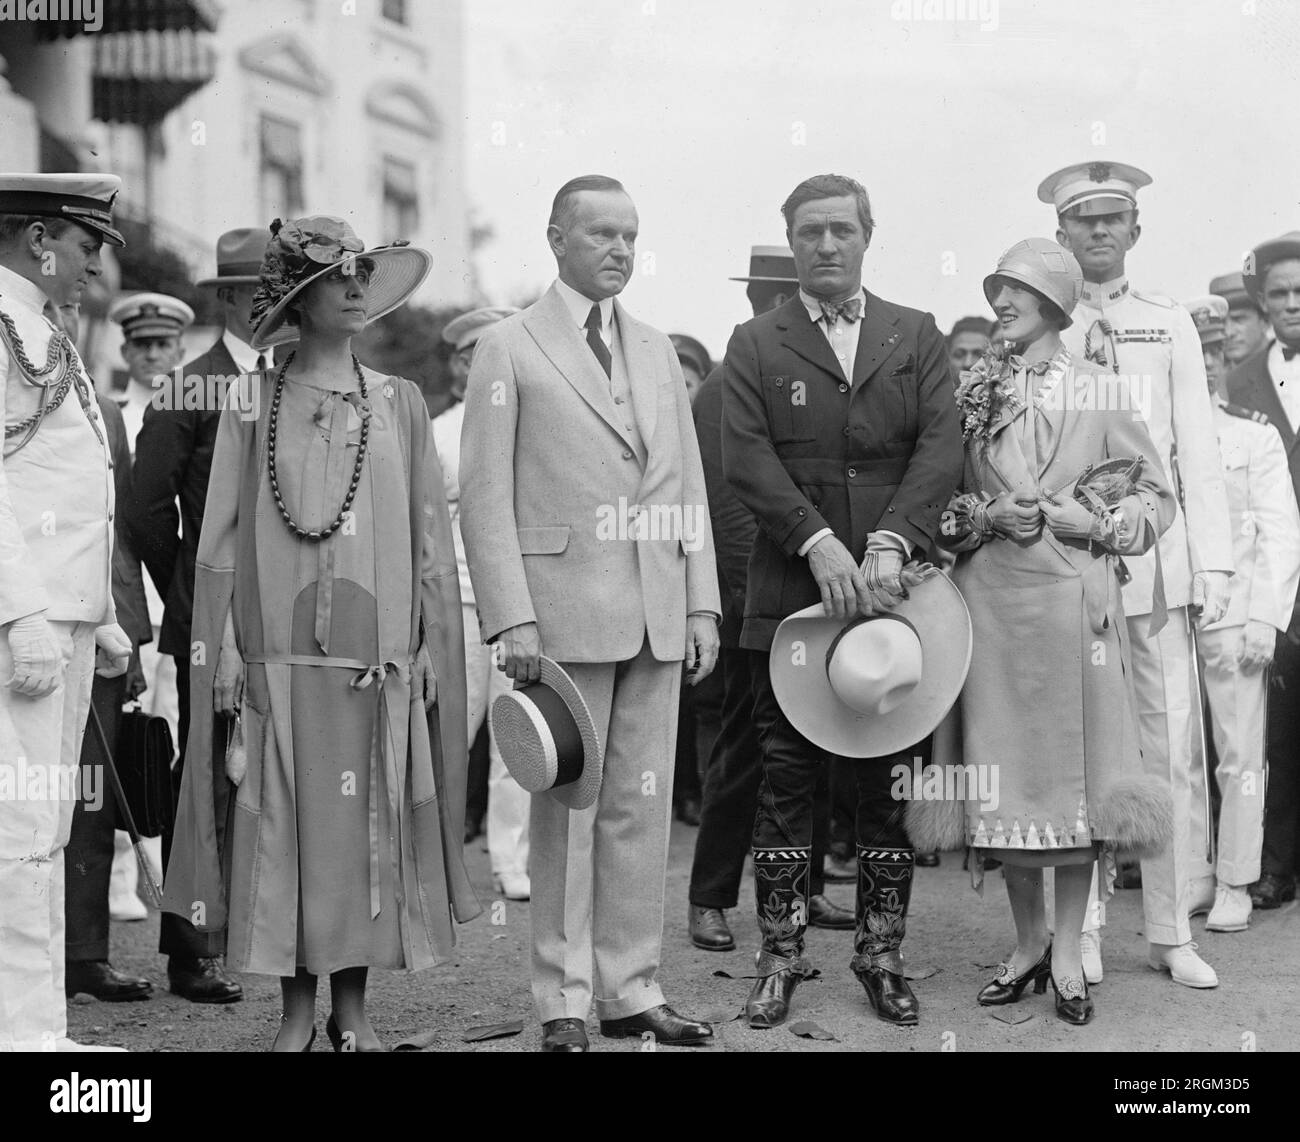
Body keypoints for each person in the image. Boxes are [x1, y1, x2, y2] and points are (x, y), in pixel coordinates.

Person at [161, 216, 478, 1051]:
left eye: (362, 273)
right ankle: (295, 1016)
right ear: (297, 301)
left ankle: (354, 1013)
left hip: (374, 664)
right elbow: (220, 539)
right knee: (287, 832)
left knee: (362, 830)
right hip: (278, 661)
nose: (354, 286)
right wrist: (228, 649)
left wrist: (424, 642)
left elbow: (428, 540)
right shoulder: (250, 401)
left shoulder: (400, 403)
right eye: (336, 276)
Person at [460, 175, 721, 1052]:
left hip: (657, 608)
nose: (620, 249)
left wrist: (702, 603)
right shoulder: (508, 347)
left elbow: (687, 486)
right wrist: (512, 618)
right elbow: (484, 498)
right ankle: (562, 1000)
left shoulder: (654, 349)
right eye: (602, 233)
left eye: (630, 235)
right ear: (556, 238)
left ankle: (631, 988)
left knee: (641, 809)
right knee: (569, 808)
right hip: (561, 612)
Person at [722, 173, 963, 1028]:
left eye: (841, 230)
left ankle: (881, 956)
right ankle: (780, 956)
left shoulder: (916, 333)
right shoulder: (756, 342)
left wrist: (893, 540)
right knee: (785, 776)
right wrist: (816, 541)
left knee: (885, 782)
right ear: (792, 242)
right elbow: (745, 455)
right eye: (810, 232)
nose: (826, 245)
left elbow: (941, 446)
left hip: (895, 601)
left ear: (867, 236)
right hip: (793, 596)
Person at [931, 237, 1175, 1025]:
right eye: (997, 289)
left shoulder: (1103, 389)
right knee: (1004, 778)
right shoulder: (973, 390)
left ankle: (1069, 951)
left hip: (1075, 610)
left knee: (1078, 787)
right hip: (992, 609)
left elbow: (1157, 497)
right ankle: (1028, 942)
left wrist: (1097, 522)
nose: (999, 302)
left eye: (1015, 290)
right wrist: (981, 515)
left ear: (1054, 303)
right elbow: (940, 504)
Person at [1042, 161, 1233, 988]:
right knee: (1082, 750)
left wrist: (1214, 562)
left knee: (1170, 752)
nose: (1098, 231)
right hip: (1071, 567)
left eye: (1112, 218)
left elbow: (1197, 448)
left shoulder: (1167, 321)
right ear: (1061, 233)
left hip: (1157, 567)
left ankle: (1169, 929)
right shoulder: (1047, 326)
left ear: (1134, 229)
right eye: (1083, 220)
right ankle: (1079, 930)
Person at [688, 243, 853, 952]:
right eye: (780, 298)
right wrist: (747, 603)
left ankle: (805, 887)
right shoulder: (727, 383)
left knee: (814, 742)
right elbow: (727, 512)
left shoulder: (816, 375)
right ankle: (710, 898)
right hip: (753, 602)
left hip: (813, 593)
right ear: (762, 302)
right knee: (744, 752)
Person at [0, 173, 133, 1052]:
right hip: (25, 618)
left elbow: (68, 485)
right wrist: (22, 615)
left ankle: (38, 1028)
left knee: (45, 832)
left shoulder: (46, 328)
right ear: (39, 238)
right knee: (17, 829)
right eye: (86, 247)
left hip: (66, 613)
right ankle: (20, 1034)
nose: (95, 267)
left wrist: (101, 612)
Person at [125, 229, 269, 1005]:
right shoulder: (191, 386)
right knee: (206, 778)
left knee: (269, 772)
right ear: (235, 298)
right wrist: (190, 588)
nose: (280, 306)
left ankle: (253, 929)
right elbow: (147, 509)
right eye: (266, 292)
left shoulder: (289, 380)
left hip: (285, 616)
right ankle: (190, 950)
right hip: (211, 617)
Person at [1186, 294, 1300, 930]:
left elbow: (1280, 533)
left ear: (1226, 359)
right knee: (1178, 757)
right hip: (1169, 617)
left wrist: (1265, 619)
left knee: (1240, 756)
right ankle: (1190, 876)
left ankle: (1235, 879)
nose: (1204, 365)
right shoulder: (1152, 439)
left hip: (1234, 620)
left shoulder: (1253, 435)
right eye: (1191, 353)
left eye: (1213, 352)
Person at [63, 357, 156, 1003]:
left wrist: (131, 641)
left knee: (91, 798)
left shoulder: (105, 411)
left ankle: (84, 956)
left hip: (95, 631)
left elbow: (118, 536)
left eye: (71, 310)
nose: (63, 315)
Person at [431, 304, 530, 900]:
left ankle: (510, 859)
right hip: (460, 604)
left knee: (516, 733)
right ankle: (436, 857)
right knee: (451, 733)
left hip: (518, 606)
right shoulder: (439, 431)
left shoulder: (532, 425)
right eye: (473, 357)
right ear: (460, 365)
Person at [104, 291, 194, 925]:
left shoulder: (193, 408)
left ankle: (162, 870)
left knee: (166, 737)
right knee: (125, 739)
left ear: (180, 348)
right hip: (128, 600)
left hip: (176, 598)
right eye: (143, 345)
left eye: (163, 345)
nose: (153, 355)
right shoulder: (112, 413)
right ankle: (119, 875)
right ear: (126, 351)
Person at [1226, 231, 1300, 910]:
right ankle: (1274, 863)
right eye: (1280, 293)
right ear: (1263, 302)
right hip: (1276, 573)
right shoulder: (1241, 379)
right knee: (1275, 724)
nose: (1293, 303)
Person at [1211, 271, 1272, 368]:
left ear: (1265, 321)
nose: (1228, 333)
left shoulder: (1290, 368)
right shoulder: (1213, 374)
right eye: (1221, 323)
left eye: (1238, 320)